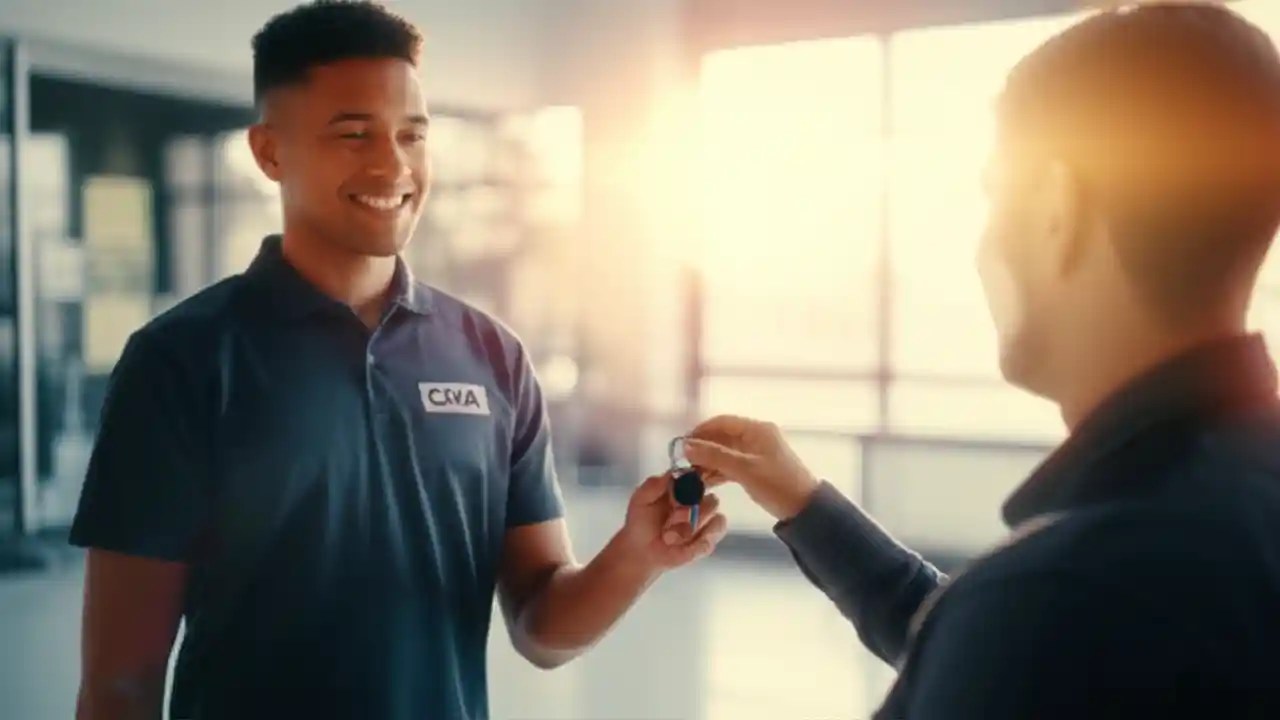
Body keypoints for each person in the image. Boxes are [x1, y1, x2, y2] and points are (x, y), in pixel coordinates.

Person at [69, 2, 726, 719]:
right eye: (354, 134)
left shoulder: (492, 357)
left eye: (412, 134)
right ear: (269, 152)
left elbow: (541, 626)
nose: (393, 163)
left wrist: (637, 554)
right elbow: (121, 685)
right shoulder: (181, 361)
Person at [683, 4, 1280, 719]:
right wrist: (803, 502)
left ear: (1059, 211)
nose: (983, 246)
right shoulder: (1215, 516)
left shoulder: (1060, 602)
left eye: (997, 198)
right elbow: (979, 644)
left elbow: (1018, 637)